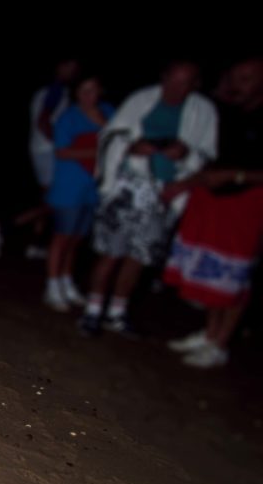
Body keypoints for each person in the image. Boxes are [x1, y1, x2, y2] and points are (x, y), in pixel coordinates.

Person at [79, 61, 218, 336]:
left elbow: (208, 153)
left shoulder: (204, 111)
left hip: (167, 192)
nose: (175, 88)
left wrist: (186, 154)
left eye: (184, 83)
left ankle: (117, 313)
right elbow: (111, 135)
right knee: (111, 252)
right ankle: (92, 311)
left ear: (196, 84)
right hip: (128, 185)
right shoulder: (141, 99)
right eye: (172, 80)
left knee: (139, 257)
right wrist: (132, 146)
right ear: (163, 76)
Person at [163, 57, 263, 368]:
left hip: (248, 202)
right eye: (234, 77)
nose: (236, 85)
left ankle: (220, 344)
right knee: (210, 270)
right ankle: (208, 334)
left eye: (246, 79)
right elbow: (211, 159)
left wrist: (236, 176)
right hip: (214, 198)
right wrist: (185, 184)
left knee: (235, 274)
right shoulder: (228, 113)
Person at [42, 73, 113, 311]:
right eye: (83, 91)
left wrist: (102, 123)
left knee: (77, 239)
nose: (88, 96)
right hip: (69, 184)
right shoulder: (68, 118)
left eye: (92, 90)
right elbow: (61, 152)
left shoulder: (108, 112)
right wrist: (98, 152)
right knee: (62, 236)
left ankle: (66, 281)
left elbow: (121, 141)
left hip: (95, 185)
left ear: (100, 91)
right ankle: (52, 286)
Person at [18, 57, 80, 259]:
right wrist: (59, 145)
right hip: (47, 150)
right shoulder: (55, 90)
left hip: (41, 149)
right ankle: (6, 226)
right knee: (56, 200)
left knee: (48, 198)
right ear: (59, 67)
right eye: (69, 67)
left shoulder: (49, 90)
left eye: (75, 68)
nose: (73, 72)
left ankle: (36, 244)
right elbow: (43, 120)